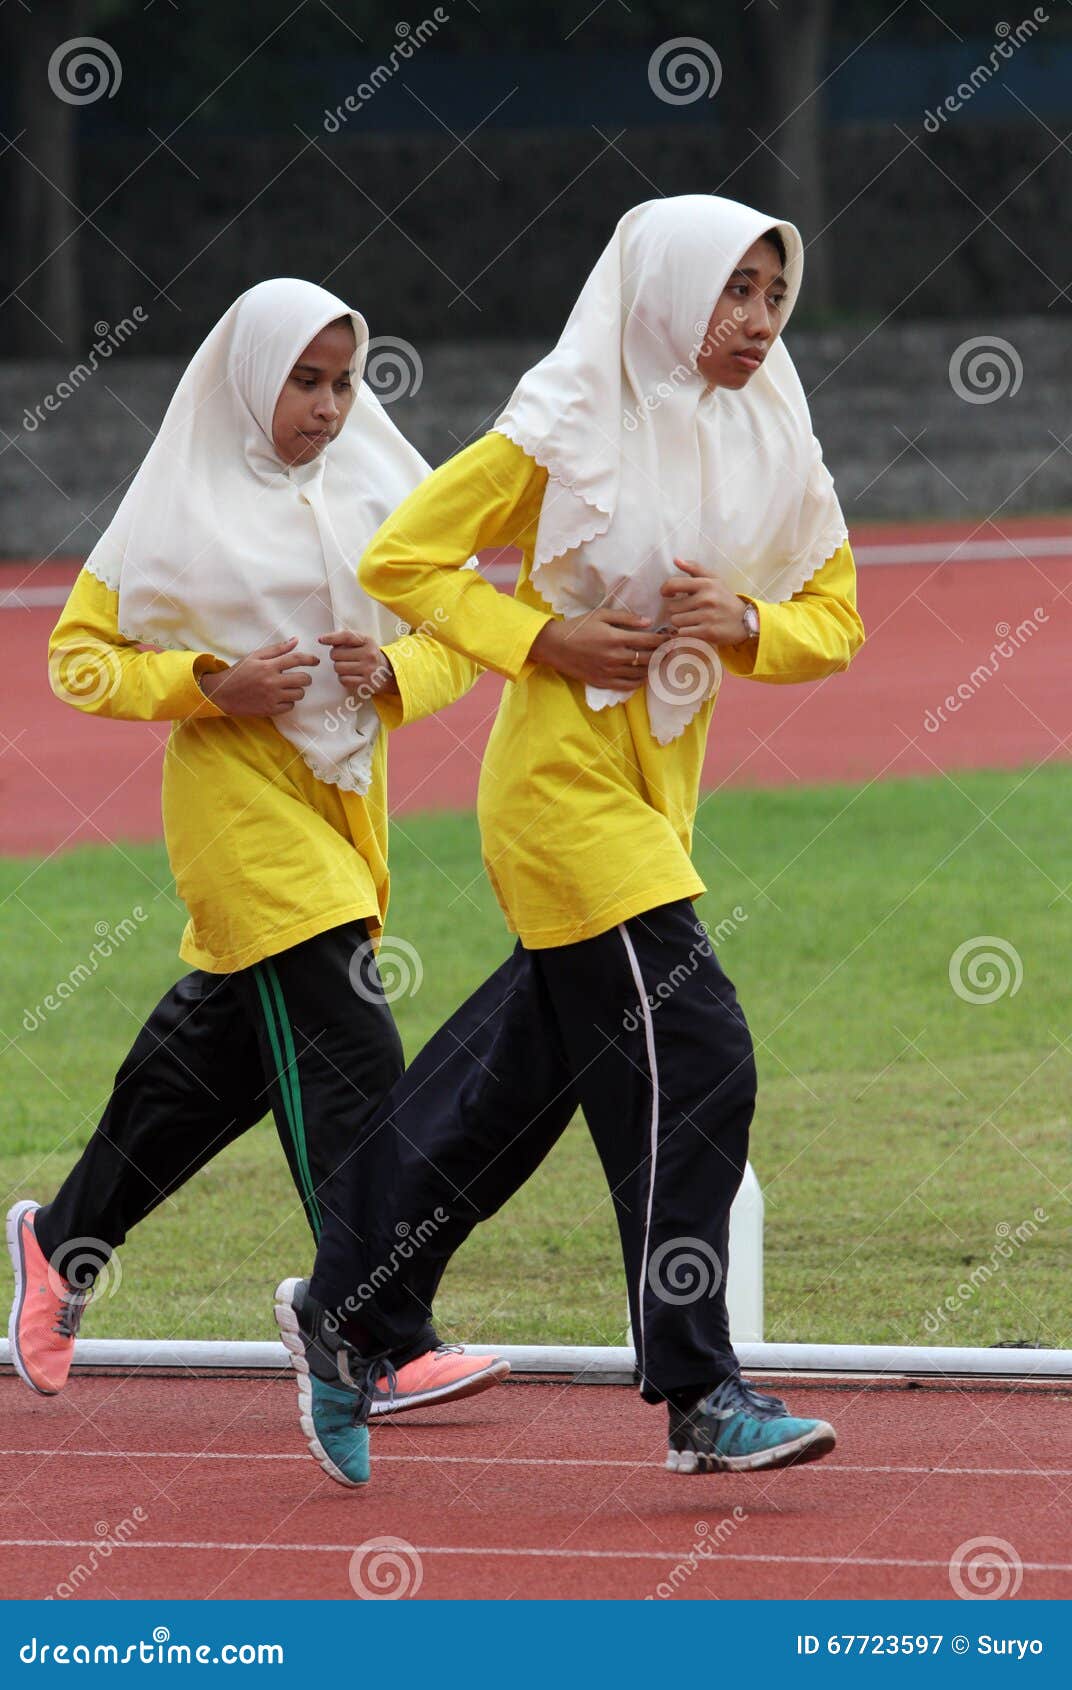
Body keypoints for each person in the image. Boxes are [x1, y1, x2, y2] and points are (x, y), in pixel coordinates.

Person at [275, 196, 866, 1488]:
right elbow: (404, 556)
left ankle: (355, 1300)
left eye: (773, 292)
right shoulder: (563, 430)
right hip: (557, 798)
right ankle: (701, 1393)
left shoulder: (772, 432)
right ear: (659, 291)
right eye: (731, 290)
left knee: (512, 1092)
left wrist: (746, 622)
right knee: (697, 1047)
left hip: (659, 802)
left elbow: (836, 614)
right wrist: (539, 635)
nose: (758, 320)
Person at [6, 279, 507, 1426]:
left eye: (343, 382)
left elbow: (463, 632)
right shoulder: (176, 500)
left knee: (207, 1071)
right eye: (303, 381)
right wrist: (209, 687)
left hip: (345, 810)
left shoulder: (386, 485)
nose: (329, 407)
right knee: (354, 1046)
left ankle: (60, 1241)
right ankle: (374, 1329)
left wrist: (396, 674)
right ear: (248, 379)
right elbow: (79, 658)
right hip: (239, 816)